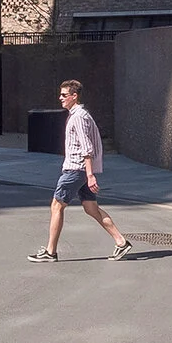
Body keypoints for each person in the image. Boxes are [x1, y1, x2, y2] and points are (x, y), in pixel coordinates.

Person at [29, 79, 131, 263]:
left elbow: (87, 148)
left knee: (56, 206)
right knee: (91, 208)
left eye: (64, 95)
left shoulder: (78, 116)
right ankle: (121, 242)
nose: (60, 98)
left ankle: (50, 252)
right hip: (80, 170)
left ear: (74, 96)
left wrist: (90, 175)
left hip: (75, 170)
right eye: (60, 94)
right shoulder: (79, 114)